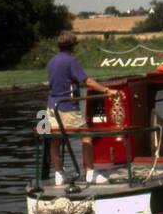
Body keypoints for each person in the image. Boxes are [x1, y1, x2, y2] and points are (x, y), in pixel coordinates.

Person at [43, 32, 112, 185]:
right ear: (72, 45)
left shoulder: (52, 62)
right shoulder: (71, 61)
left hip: (51, 107)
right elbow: (87, 81)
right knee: (86, 135)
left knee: (55, 140)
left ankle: (59, 174)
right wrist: (107, 90)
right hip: (67, 106)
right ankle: (90, 172)